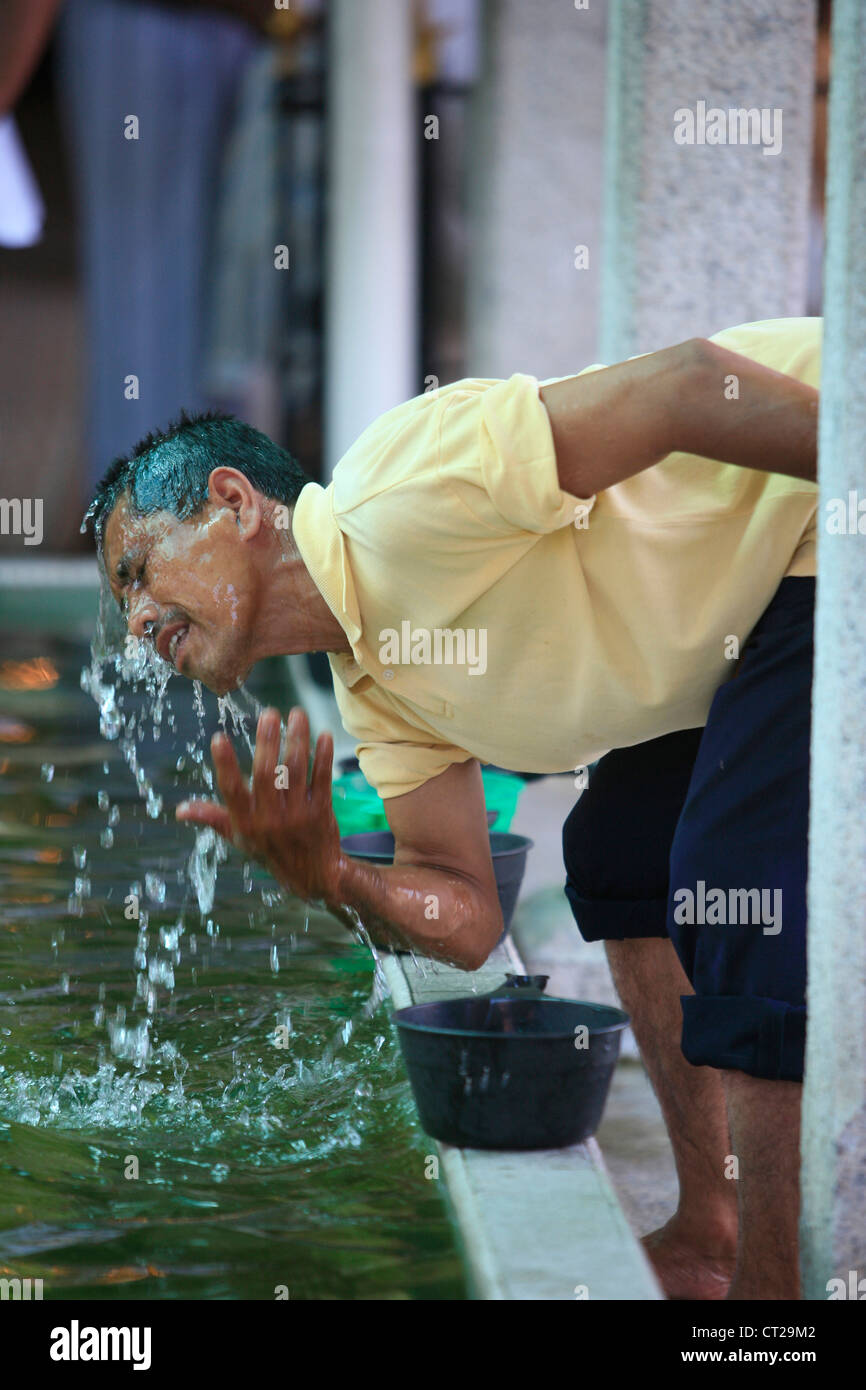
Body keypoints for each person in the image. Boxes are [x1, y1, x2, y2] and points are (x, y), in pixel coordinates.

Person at [90, 315, 821, 1301]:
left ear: (233, 503)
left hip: (813, 511)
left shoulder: (400, 491)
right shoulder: (372, 686)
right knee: (617, 855)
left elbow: (688, 386)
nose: (138, 623)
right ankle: (710, 1228)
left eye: (138, 572)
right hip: (731, 613)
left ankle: (772, 1301)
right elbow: (468, 916)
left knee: (731, 880)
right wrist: (333, 874)